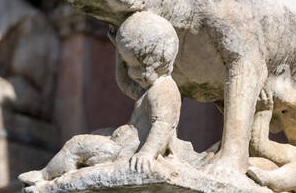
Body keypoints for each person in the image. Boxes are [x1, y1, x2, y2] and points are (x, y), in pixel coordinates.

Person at [20, 11, 189, 182]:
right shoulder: (151, 86)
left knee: (76, 144)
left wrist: (147, 153)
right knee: (95, 136)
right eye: (130, 65)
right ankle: (66, 171)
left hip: (125, 150)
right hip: (123, 142)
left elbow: (162, 125)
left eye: (137, 67)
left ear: (157, 62)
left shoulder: (163, 90)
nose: (133, 73)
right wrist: (119, 53)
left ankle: (45, 175)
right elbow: (125, 84)